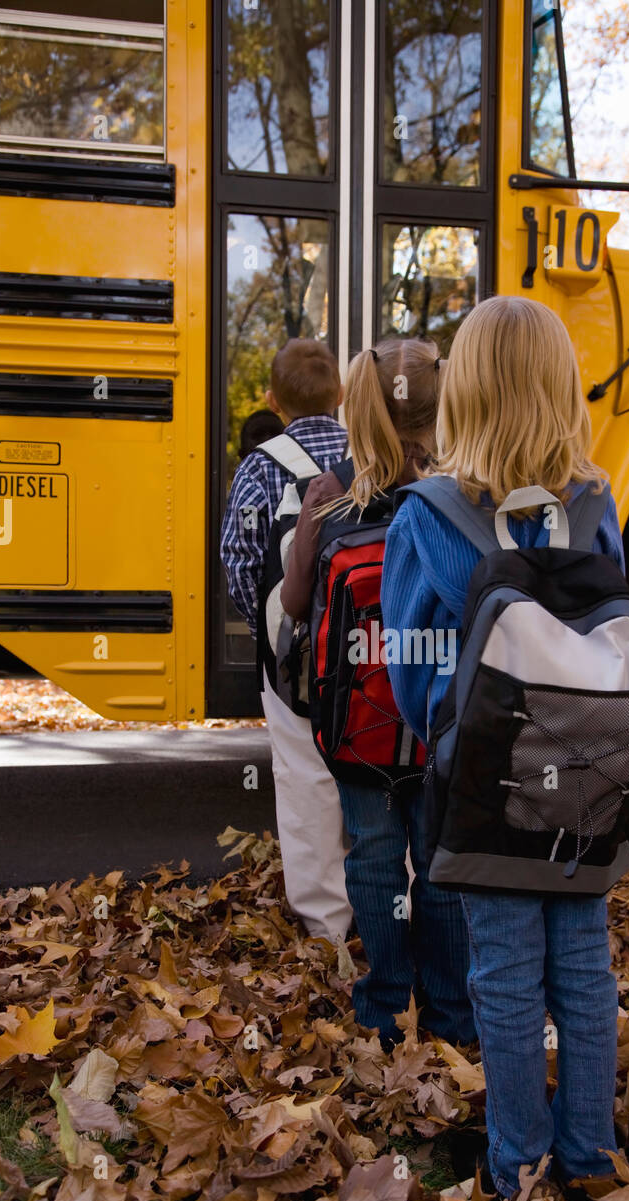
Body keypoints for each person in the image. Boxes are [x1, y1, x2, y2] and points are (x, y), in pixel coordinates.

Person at [381, 297, 624, 1198]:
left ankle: (518, 1164)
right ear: (563, 387)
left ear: (463, 393)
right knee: (585, 975)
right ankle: (592, 1158)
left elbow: (411, 676)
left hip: (485, 791)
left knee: (506, 977)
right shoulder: (598, 504)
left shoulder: (429, 517)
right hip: (589, 784)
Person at [280, 338, 474, 1047]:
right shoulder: (463, 498)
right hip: (440, 725)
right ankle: (452, 1016)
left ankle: (385, 1007)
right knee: (441, 864)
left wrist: (311, 522)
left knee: (371, 857)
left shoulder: (332, 497)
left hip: (356, 725)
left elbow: (297, 605)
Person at [220, 339, 351, 946]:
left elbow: (239, 559)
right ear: (343, 396)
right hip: (371, 654)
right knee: (377, 774)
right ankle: (388, 898)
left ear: (272, 401)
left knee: (304, 780)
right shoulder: (369, 454)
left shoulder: (259, 466)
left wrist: (272, 635)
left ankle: (326, 926)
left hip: (293, 658)